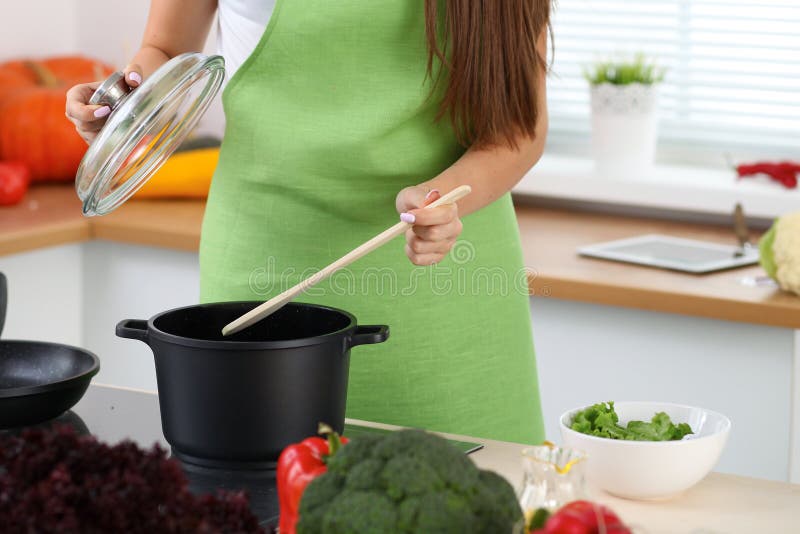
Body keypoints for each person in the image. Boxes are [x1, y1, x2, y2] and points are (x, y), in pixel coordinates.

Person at [66, 0, 551, 444]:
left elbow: (517, 128)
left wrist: (442, 199)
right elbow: (166, 48)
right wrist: (124, 102)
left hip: (444, 279)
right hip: (263, 263)